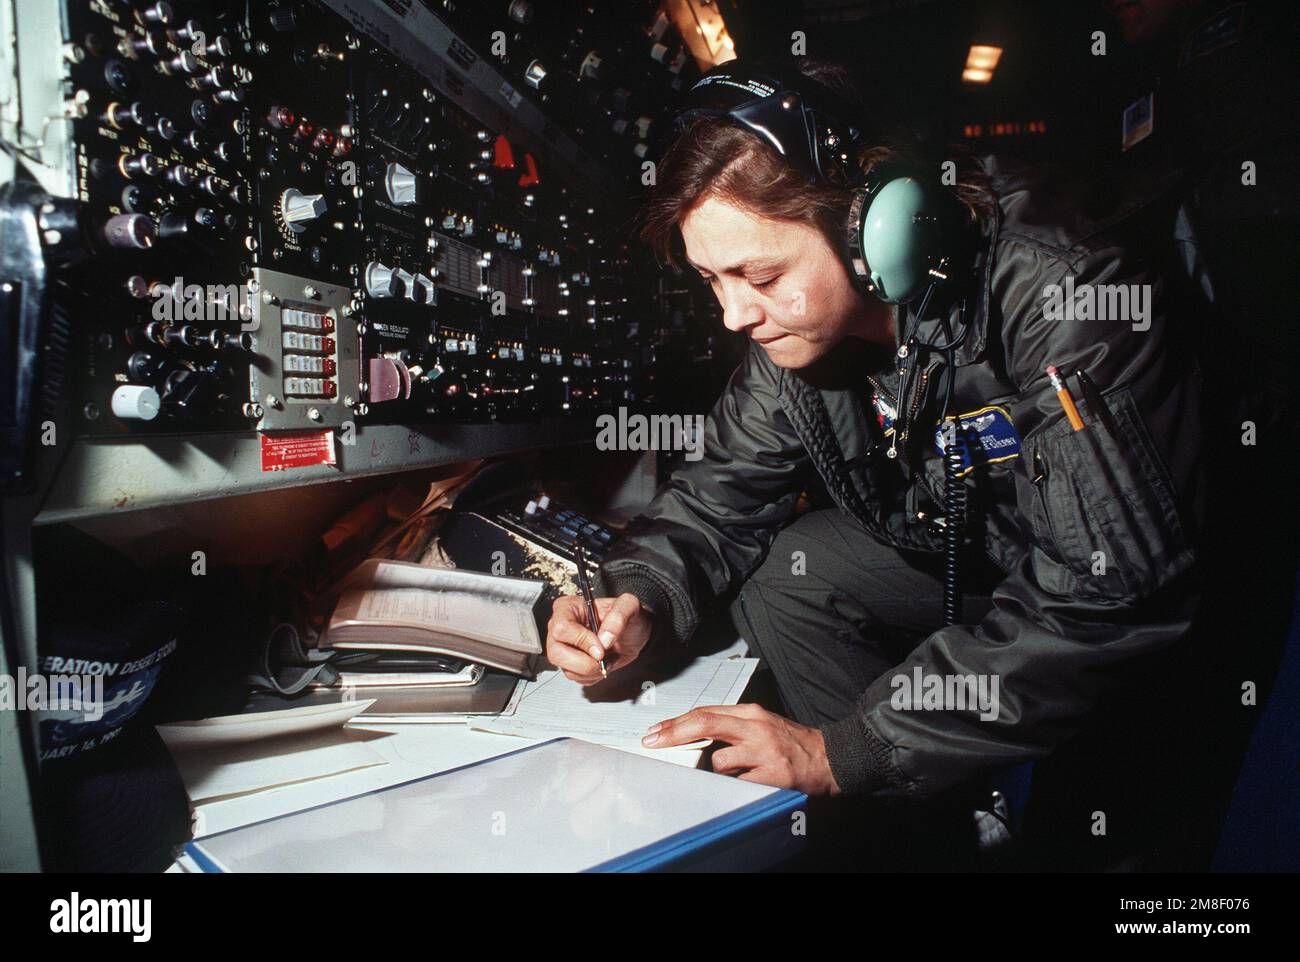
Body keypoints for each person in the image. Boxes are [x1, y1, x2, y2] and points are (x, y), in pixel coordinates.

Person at [545, 58, 1206, 868]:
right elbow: (716, 501)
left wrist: (847, 750)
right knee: (797, 569)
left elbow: (1114, 596)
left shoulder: (1068, 289)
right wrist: (633, 595)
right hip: (998, 562)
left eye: (761, 275)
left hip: (1130, 587)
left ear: (871, 228)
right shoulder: (790, 344)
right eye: (711, 279)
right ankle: (907, 842)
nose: (733, 315)